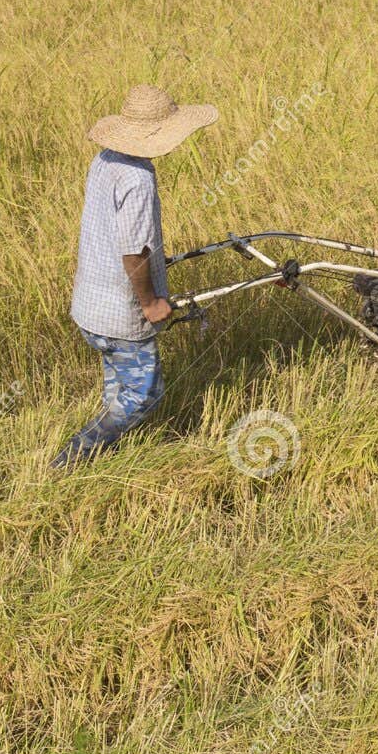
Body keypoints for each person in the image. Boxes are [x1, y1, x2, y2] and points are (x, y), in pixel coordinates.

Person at [51, 84, 218, 468]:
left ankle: (107, 461)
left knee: (119, 389)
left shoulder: (106, 159)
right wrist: (151, 302)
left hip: (91, 308)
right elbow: (134, 251)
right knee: (144, 394)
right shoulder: (138, 178)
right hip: (123, 314)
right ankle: (74, 456)